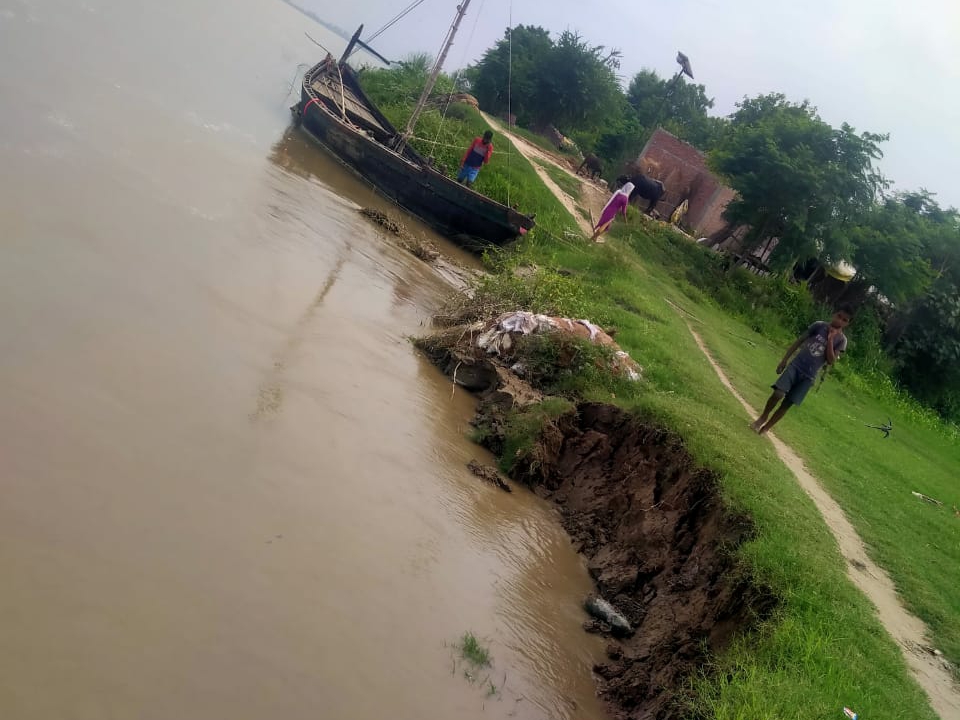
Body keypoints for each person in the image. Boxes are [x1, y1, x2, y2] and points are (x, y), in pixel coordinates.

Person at [751, 304, 854, 435]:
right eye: (839, 316)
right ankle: (763, 417)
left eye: (844, 320)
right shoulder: (819, 326)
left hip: (809, 376)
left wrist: (830, 339)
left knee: (787, 404)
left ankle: (766, 428)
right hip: (796, 365)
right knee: (778, 393)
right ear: (834, 314)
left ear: (847, 323)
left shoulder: (842, 340)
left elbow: (831, 360)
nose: (840, 321)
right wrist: (784, 360)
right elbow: (799, 342)